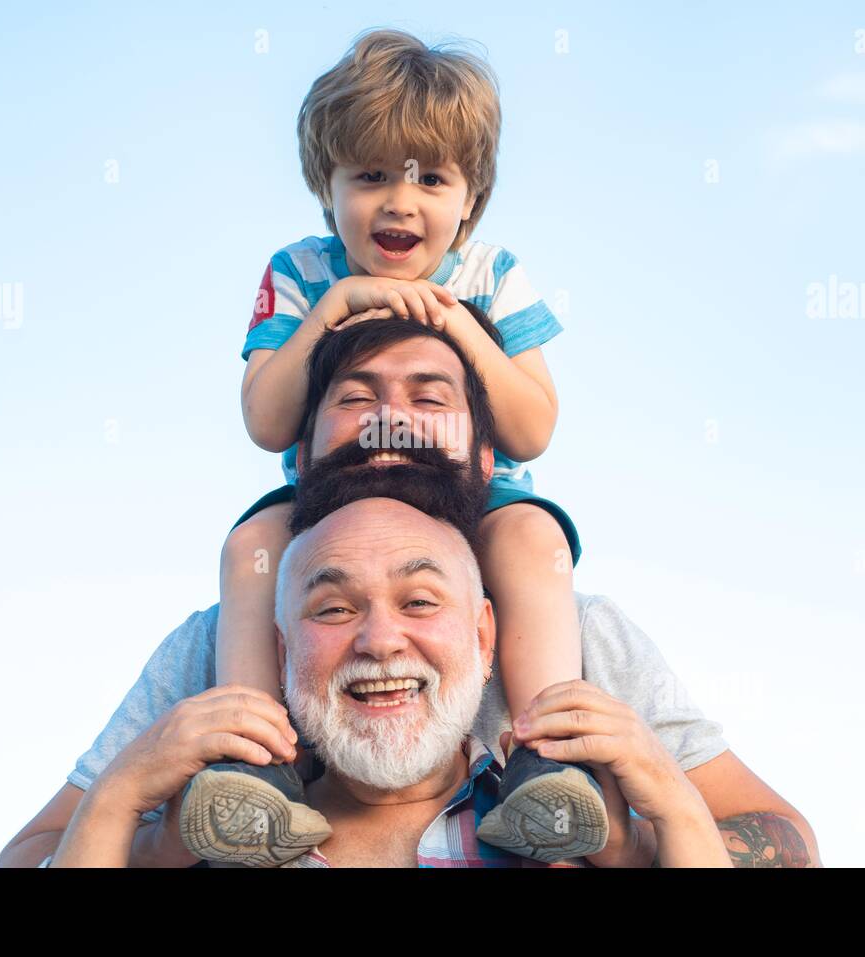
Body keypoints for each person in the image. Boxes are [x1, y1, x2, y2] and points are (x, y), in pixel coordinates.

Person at [0, 317, 821, 868]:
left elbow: (784, 838)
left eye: (429, 397)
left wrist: (656, 807)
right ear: (302, 457)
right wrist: (135, 804)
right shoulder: (210, 649)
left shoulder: (580, 635)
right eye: (356, 398)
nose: (391, 418)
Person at [212, 26, 607, 865]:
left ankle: (544, 762)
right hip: (332, 499)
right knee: (251, 545)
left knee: (534, 538)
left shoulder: (489, 275)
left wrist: (465, 332)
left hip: (465, 491)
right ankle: (253, 772)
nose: (401, 200)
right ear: (328, 188)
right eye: (372, 176)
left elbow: (533, 424)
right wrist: (331, 309)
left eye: (432, 178)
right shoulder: (299, 270)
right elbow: (266, 420)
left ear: (471, 199)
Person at [50, 498, 733, 868]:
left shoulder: (566, 836)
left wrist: (672, 808)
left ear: (486, 637)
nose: (379, 640)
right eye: (334, 609)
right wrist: (117, 796)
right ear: (282, 653)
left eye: (420, 601)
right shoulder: (207, 841)